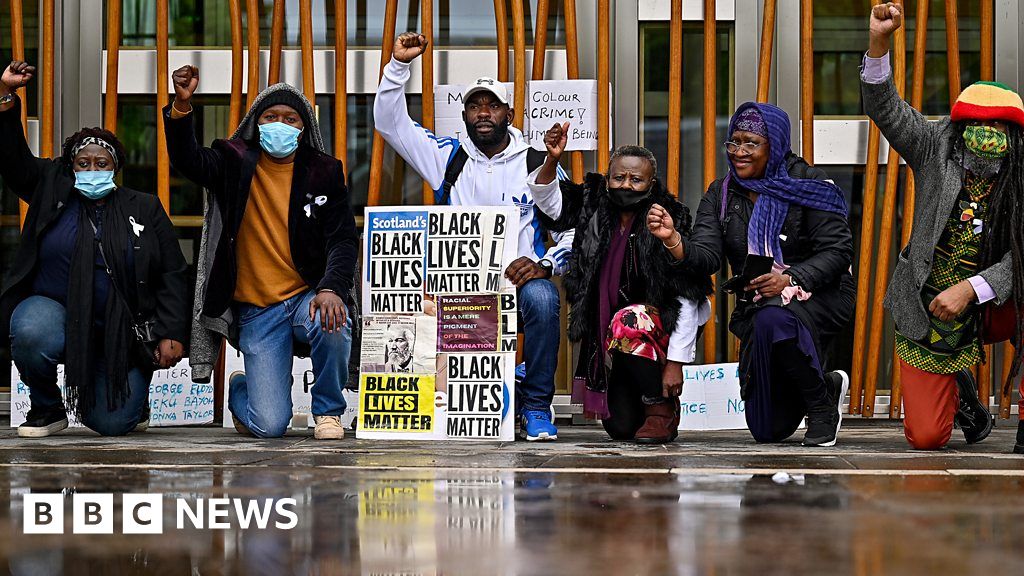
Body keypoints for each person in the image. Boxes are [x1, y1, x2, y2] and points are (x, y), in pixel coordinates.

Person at [373, 32, 575, 441]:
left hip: (514, 289)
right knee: (396, 294)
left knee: (543, 296)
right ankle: (422, 403)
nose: (484, 113)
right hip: (456, 291)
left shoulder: (538, 162)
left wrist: (545, 264)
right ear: (464, 115)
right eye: (475, 106)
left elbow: (574, 230)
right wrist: (398, 66)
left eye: (493, 105)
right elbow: (389, 124)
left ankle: (535, 406)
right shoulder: (448, 155)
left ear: (510, 114)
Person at [164, 65, 358, 440]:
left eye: (290, 118)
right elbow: (189, 161)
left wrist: (331, 287)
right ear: (256, 122)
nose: (280, 124)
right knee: (268, 426)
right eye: (271, 117)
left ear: (303, 128)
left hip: (306, 297)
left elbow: (343, 239)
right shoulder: (232, 159)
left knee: (335, 317)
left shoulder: (324, 171)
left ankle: (328, 411)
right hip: (257, 311)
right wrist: (182, 107)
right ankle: (242, 389)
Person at [863, 3, 1024, 451]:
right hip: (926, 302)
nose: (986, 135)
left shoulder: (1023, 171)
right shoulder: (937, 145)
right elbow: (886, 108)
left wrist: (973, 289)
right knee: (928, 437)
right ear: (960, 123)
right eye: (976, 124)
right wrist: (879, 43)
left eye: (999, 127)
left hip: (995, 303)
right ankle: (961, 395)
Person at [0, 60, 188, 437]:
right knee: (31, 329)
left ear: (115, 168)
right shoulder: (50, 188)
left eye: (101, 163)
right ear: (70, 167)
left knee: (113, 423)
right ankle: (47, 408)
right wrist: (5, 96)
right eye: (82, 163)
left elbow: (171, 271)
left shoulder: (144, 206)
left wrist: (172, 331)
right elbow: (12, 159)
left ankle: (134, 399)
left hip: (120, 331)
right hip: (58, 315)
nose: (91, 169)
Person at [681, 102, 855, 447]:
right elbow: (706, 255)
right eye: (733, 142)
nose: (739, 152)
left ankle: (820, 407)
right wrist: (674, 241)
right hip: (759, 305)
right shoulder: (722, 193)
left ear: (773, 144)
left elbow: (838, 251)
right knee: (768, 430)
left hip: (822, 294)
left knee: (774, 317)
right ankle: (825, 383)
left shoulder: (809, 183)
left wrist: (790, 278)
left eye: (751, 143)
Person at [529, 124, 713, 443]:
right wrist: (550, 161)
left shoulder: (668, 216)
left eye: (636, 179)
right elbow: (551, 204)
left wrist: (676, 364)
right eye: (619, 177)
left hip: (658, 327)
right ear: (608, 178)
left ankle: (661, 407)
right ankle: (639, 395)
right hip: (619, 339)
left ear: (650, 183)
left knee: (630, 319)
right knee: (621, 428)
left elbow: (688, 295)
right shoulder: (596, 209)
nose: (626, 184)